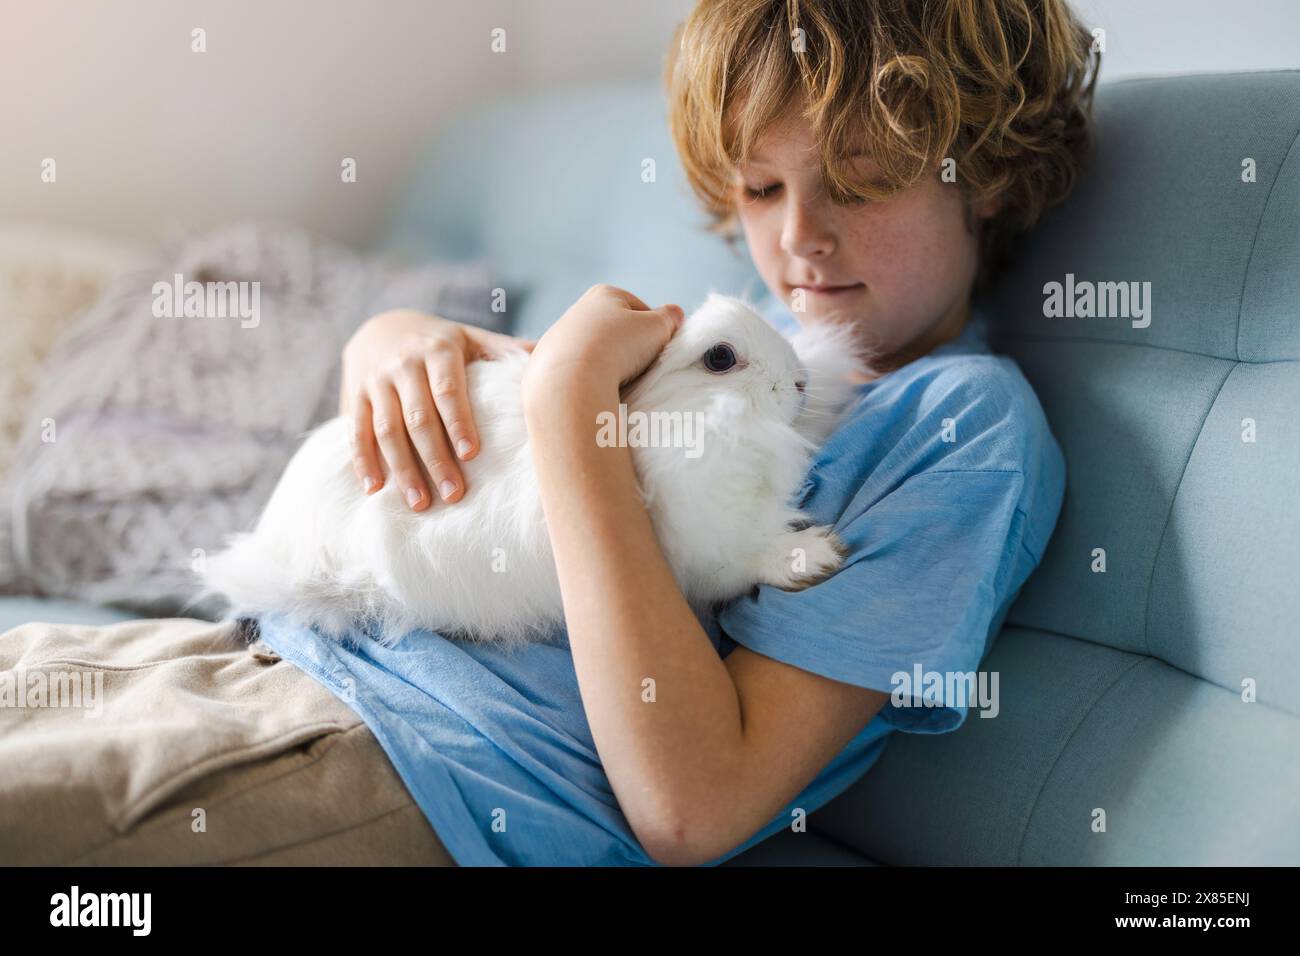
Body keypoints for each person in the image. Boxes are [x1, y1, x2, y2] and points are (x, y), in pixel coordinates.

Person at [0, 0, 1096, 867]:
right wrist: (389, 345)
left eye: (861, 179)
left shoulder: (962, 425)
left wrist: (571, 408)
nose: (799, 236)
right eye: (760, 186)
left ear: (989, 178)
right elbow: (503, 435)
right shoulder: (740, 337)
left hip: (423, 767)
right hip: (264, 651)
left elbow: (692, 805)